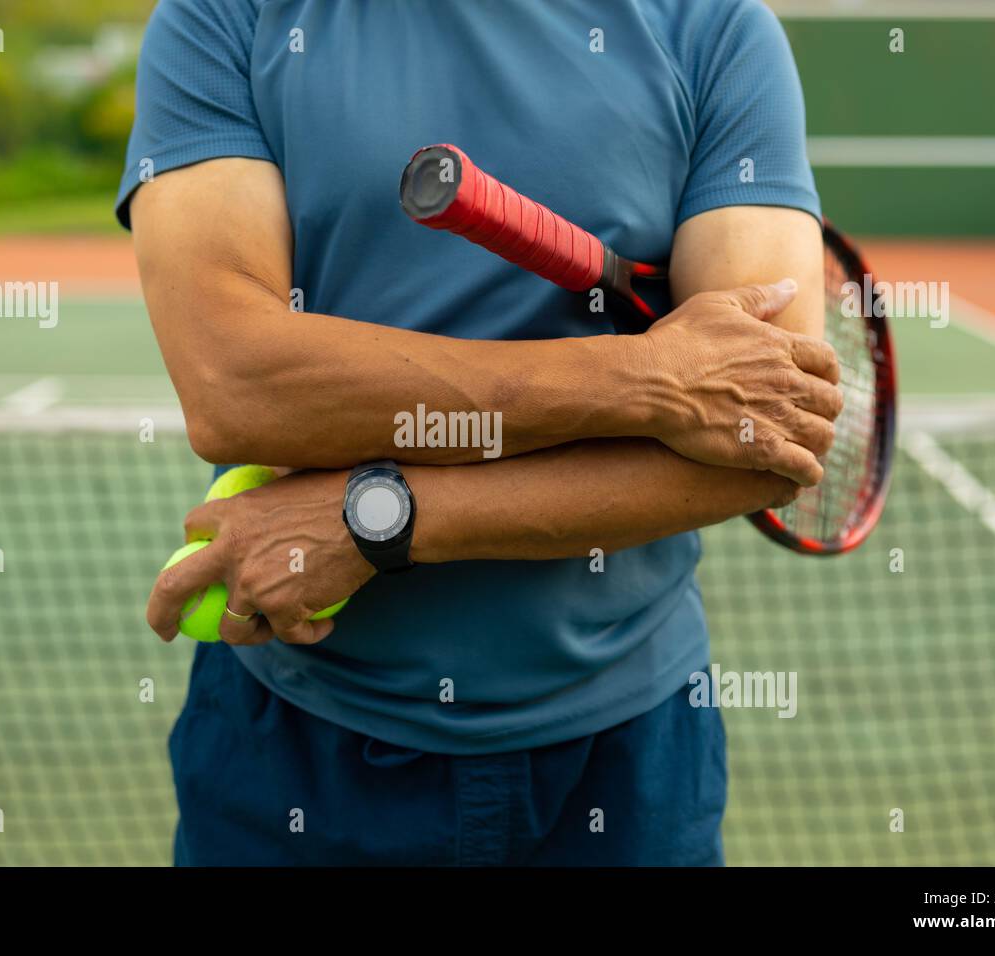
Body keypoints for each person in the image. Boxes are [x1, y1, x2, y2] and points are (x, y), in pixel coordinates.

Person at [118, 0, 841, 866]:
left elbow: (769, 428)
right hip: (292, 741)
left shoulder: (715, 26)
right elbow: (236, 382)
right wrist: (651, 380)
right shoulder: (220, 19)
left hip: (628, 760)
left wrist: (381, 520)